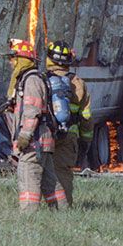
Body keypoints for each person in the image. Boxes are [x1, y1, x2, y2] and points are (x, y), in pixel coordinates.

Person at [5, 38, 64, 211]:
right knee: (49, 181)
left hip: (34, 141)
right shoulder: (30, 79)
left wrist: (24, 136)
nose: (10, 62)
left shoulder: (31, 80)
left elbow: (33, 110)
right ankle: (62, 211)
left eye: (13, 58)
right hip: (42, 141)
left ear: (21, 59)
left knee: (28, 174)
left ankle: (28, 214)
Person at [46, 41, 93, 207]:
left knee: (41, 170)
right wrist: (85, 142)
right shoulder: (78, 83)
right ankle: (64, 207)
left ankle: (41, 207)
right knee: (63, 171)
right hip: (69, 135)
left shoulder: (42, 79)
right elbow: (86, 116)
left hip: (46, 134)